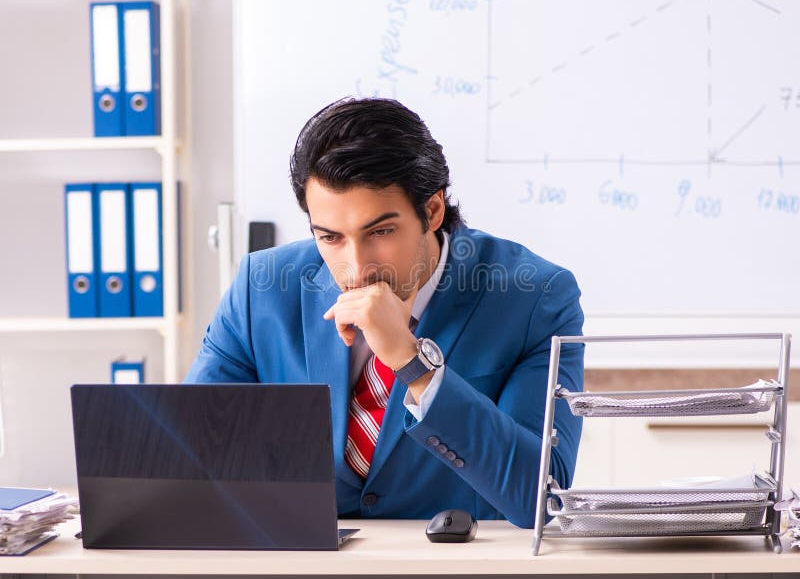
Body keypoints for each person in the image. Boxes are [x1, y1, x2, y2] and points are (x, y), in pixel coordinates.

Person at [185, 97, 584, 527]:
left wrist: (415, 365)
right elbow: (187, 460)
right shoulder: (259, 289)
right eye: (331, 238)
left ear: (432, 210)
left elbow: (541, 498)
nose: (356, 269)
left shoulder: (536, 298)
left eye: (380, 232)